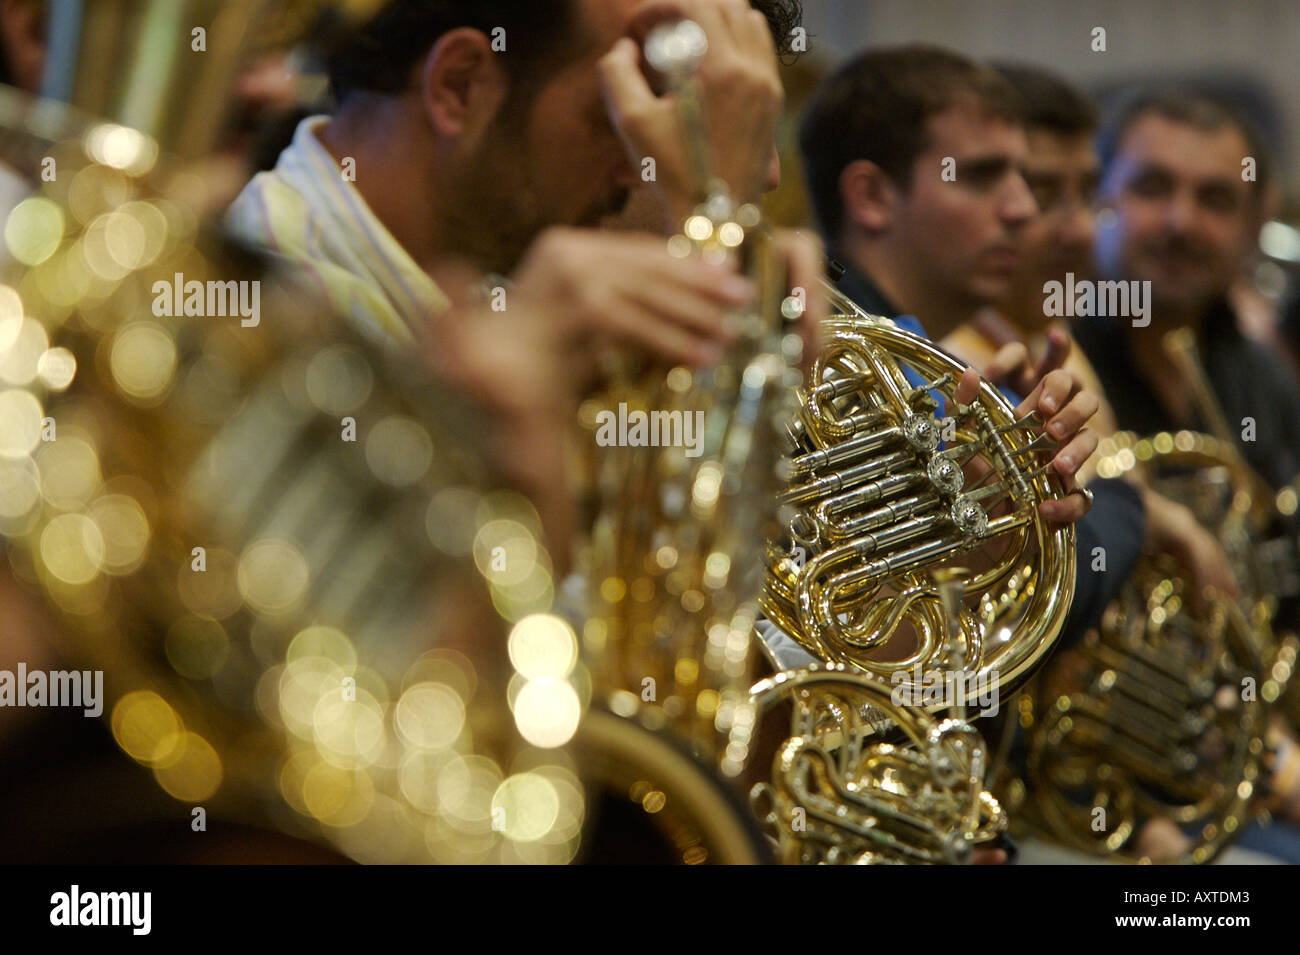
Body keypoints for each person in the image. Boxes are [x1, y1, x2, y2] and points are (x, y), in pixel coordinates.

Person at [795, 45, 1131, 648]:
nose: (1022, 209)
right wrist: (1134, 507)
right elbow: (990, 628)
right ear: (871, 197)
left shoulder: (932, 357)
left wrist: (1031, 474)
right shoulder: (840, 364)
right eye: (980, 176)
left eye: (1022, 179)